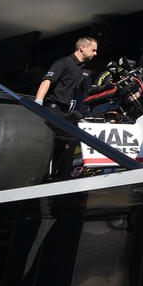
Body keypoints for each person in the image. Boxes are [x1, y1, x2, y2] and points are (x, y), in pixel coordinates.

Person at [35, 36, 99, 180]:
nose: (95, 53)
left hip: (67, 113)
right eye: (93, 50)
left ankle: (59, 177)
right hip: (53, 110)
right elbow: (47, 81)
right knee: (50, 146)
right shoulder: (63, 63)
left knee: (69, 144)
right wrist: (38, 103)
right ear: (82, 47)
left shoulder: (84, 70)